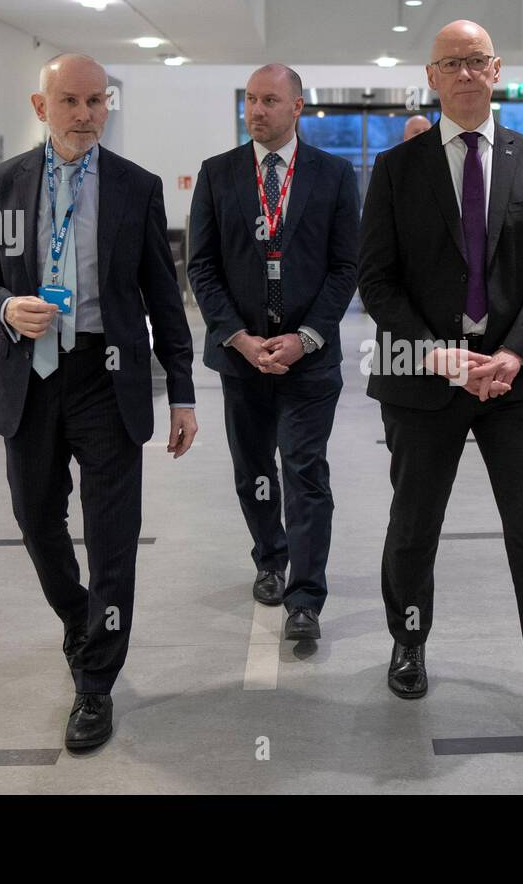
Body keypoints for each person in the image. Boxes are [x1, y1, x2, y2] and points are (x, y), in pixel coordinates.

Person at [359, 19, 523, 767]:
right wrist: (434, 353)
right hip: (422, 377)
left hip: (516, 381)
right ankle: (409, 637)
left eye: (477, 61)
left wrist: (512, 353)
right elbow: (376, 279)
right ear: (432, 77)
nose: (466, 73)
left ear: (496, 70)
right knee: (414, 524)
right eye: (452, 63)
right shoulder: (397, 168)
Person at [0, 53, 197, 750]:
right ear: (42, 108)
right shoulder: (4, 185)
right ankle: (79, 617)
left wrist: (182, 391)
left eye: (98, 101)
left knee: (113, 535)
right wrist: (7, 306)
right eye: (71, 101)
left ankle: (95, 683)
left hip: (107, 374)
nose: (87, 114)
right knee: (36, 520)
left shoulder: (135, 187)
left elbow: (164, 296)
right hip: (30, 378)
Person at [188, 64, 359, 641]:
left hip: (310, 358)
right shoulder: (218, 175)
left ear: (298, 108)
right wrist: (238, 336)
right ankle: (270, 557)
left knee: (305, 468)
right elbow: (202, 268)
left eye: (269, 100)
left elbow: (345, 268)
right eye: (250, 100)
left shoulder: (334, 176)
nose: (256, 110)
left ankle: (306, 597)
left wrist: (305, 336)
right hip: (242, 357)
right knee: (254, 468)